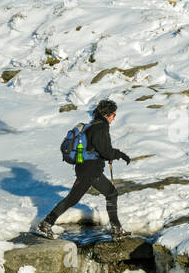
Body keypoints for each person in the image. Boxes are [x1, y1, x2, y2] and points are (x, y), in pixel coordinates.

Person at [35, 99, 131, 239]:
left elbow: (97, 149)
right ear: (107, 114)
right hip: (90, 171)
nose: (113, 118)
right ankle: (45, 224)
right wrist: (120, 154)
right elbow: (106, 152)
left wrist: (114, 154)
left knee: (108, 194)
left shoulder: (93, 125)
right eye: (113, 115)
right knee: (76, 199)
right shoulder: (100, 127)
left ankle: (117, 229)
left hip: (87, 169)